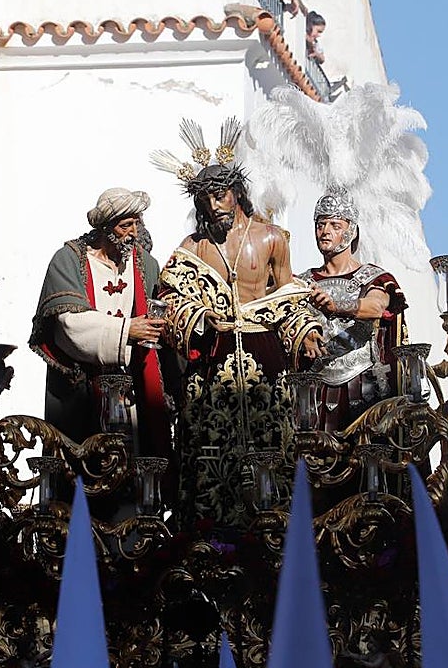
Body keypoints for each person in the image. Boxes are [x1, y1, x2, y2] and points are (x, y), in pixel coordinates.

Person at [153, 119, 324, 529]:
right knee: (211, 454)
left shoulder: (270, 238)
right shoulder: (190, 250)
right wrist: (199, 316)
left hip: (265, 357)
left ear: (236, 193)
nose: (215, 205)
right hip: (214, 362)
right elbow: (169, 306)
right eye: (206, 198)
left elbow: (289, 295)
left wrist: (307, 332)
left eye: (221, 194)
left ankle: (279, 529)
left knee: (274, 450)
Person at [29, 188, 172, 459]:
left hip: (133, 388)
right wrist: (126, 330)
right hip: (83, 388)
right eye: (125, 225)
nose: (133, 232)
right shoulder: (69, 260)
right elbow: (68, 323)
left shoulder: (145, 263)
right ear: (106, 228)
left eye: (136, 223)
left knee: (136, 463)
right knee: (83, 467)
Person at [297, 187, 407, 433]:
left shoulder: (374, 278)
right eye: (320, 225)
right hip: (313, 393)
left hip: (361, 387)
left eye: (335, 225)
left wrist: (337, 306)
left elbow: (376, 306)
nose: (325, 232)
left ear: (352, 230)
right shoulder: (302, 283)